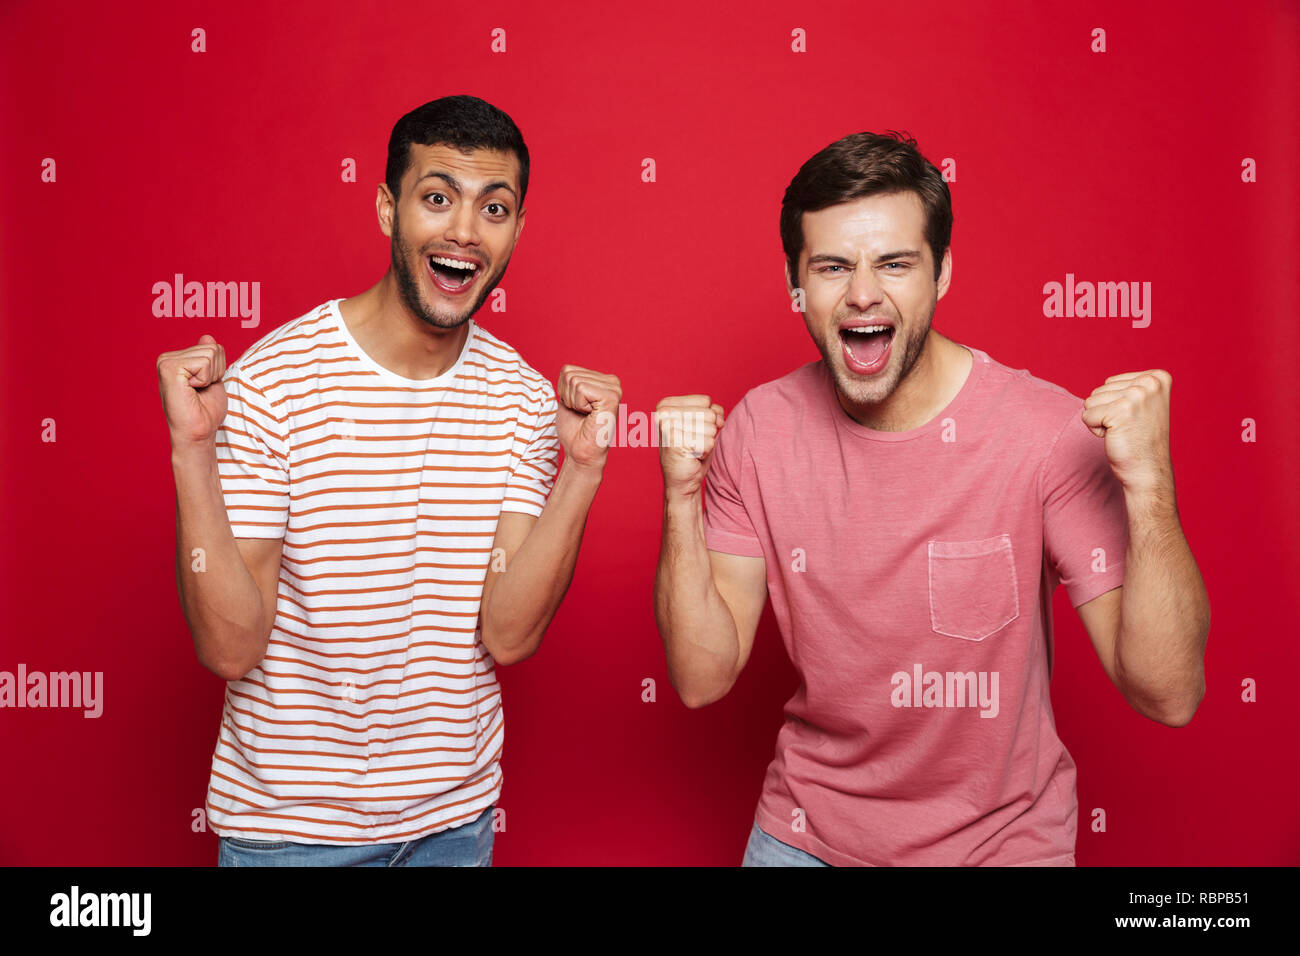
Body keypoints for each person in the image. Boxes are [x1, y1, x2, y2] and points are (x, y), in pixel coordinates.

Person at [652, 131, 1209, 867]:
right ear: (797, 283)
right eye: (831, 266)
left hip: (1000, 848)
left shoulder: (1044, 434)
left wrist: (1150, 487)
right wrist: (680, 498)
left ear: (942, 273)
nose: (861, 293)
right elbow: (700, 677)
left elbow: (1168, 695)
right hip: (806, 838)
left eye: (894, 263)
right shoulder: (758, 429)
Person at [156, 95, 621, 867]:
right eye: (437, 198)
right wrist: (192, 454)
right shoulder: (274, 383)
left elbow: (509, 635)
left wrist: (581, 471)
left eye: (494, 208)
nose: (465, 232)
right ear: (386, 208)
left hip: (454, 824)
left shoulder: (520, 399)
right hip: (290, 835)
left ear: (517, 230)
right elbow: (230, 647)